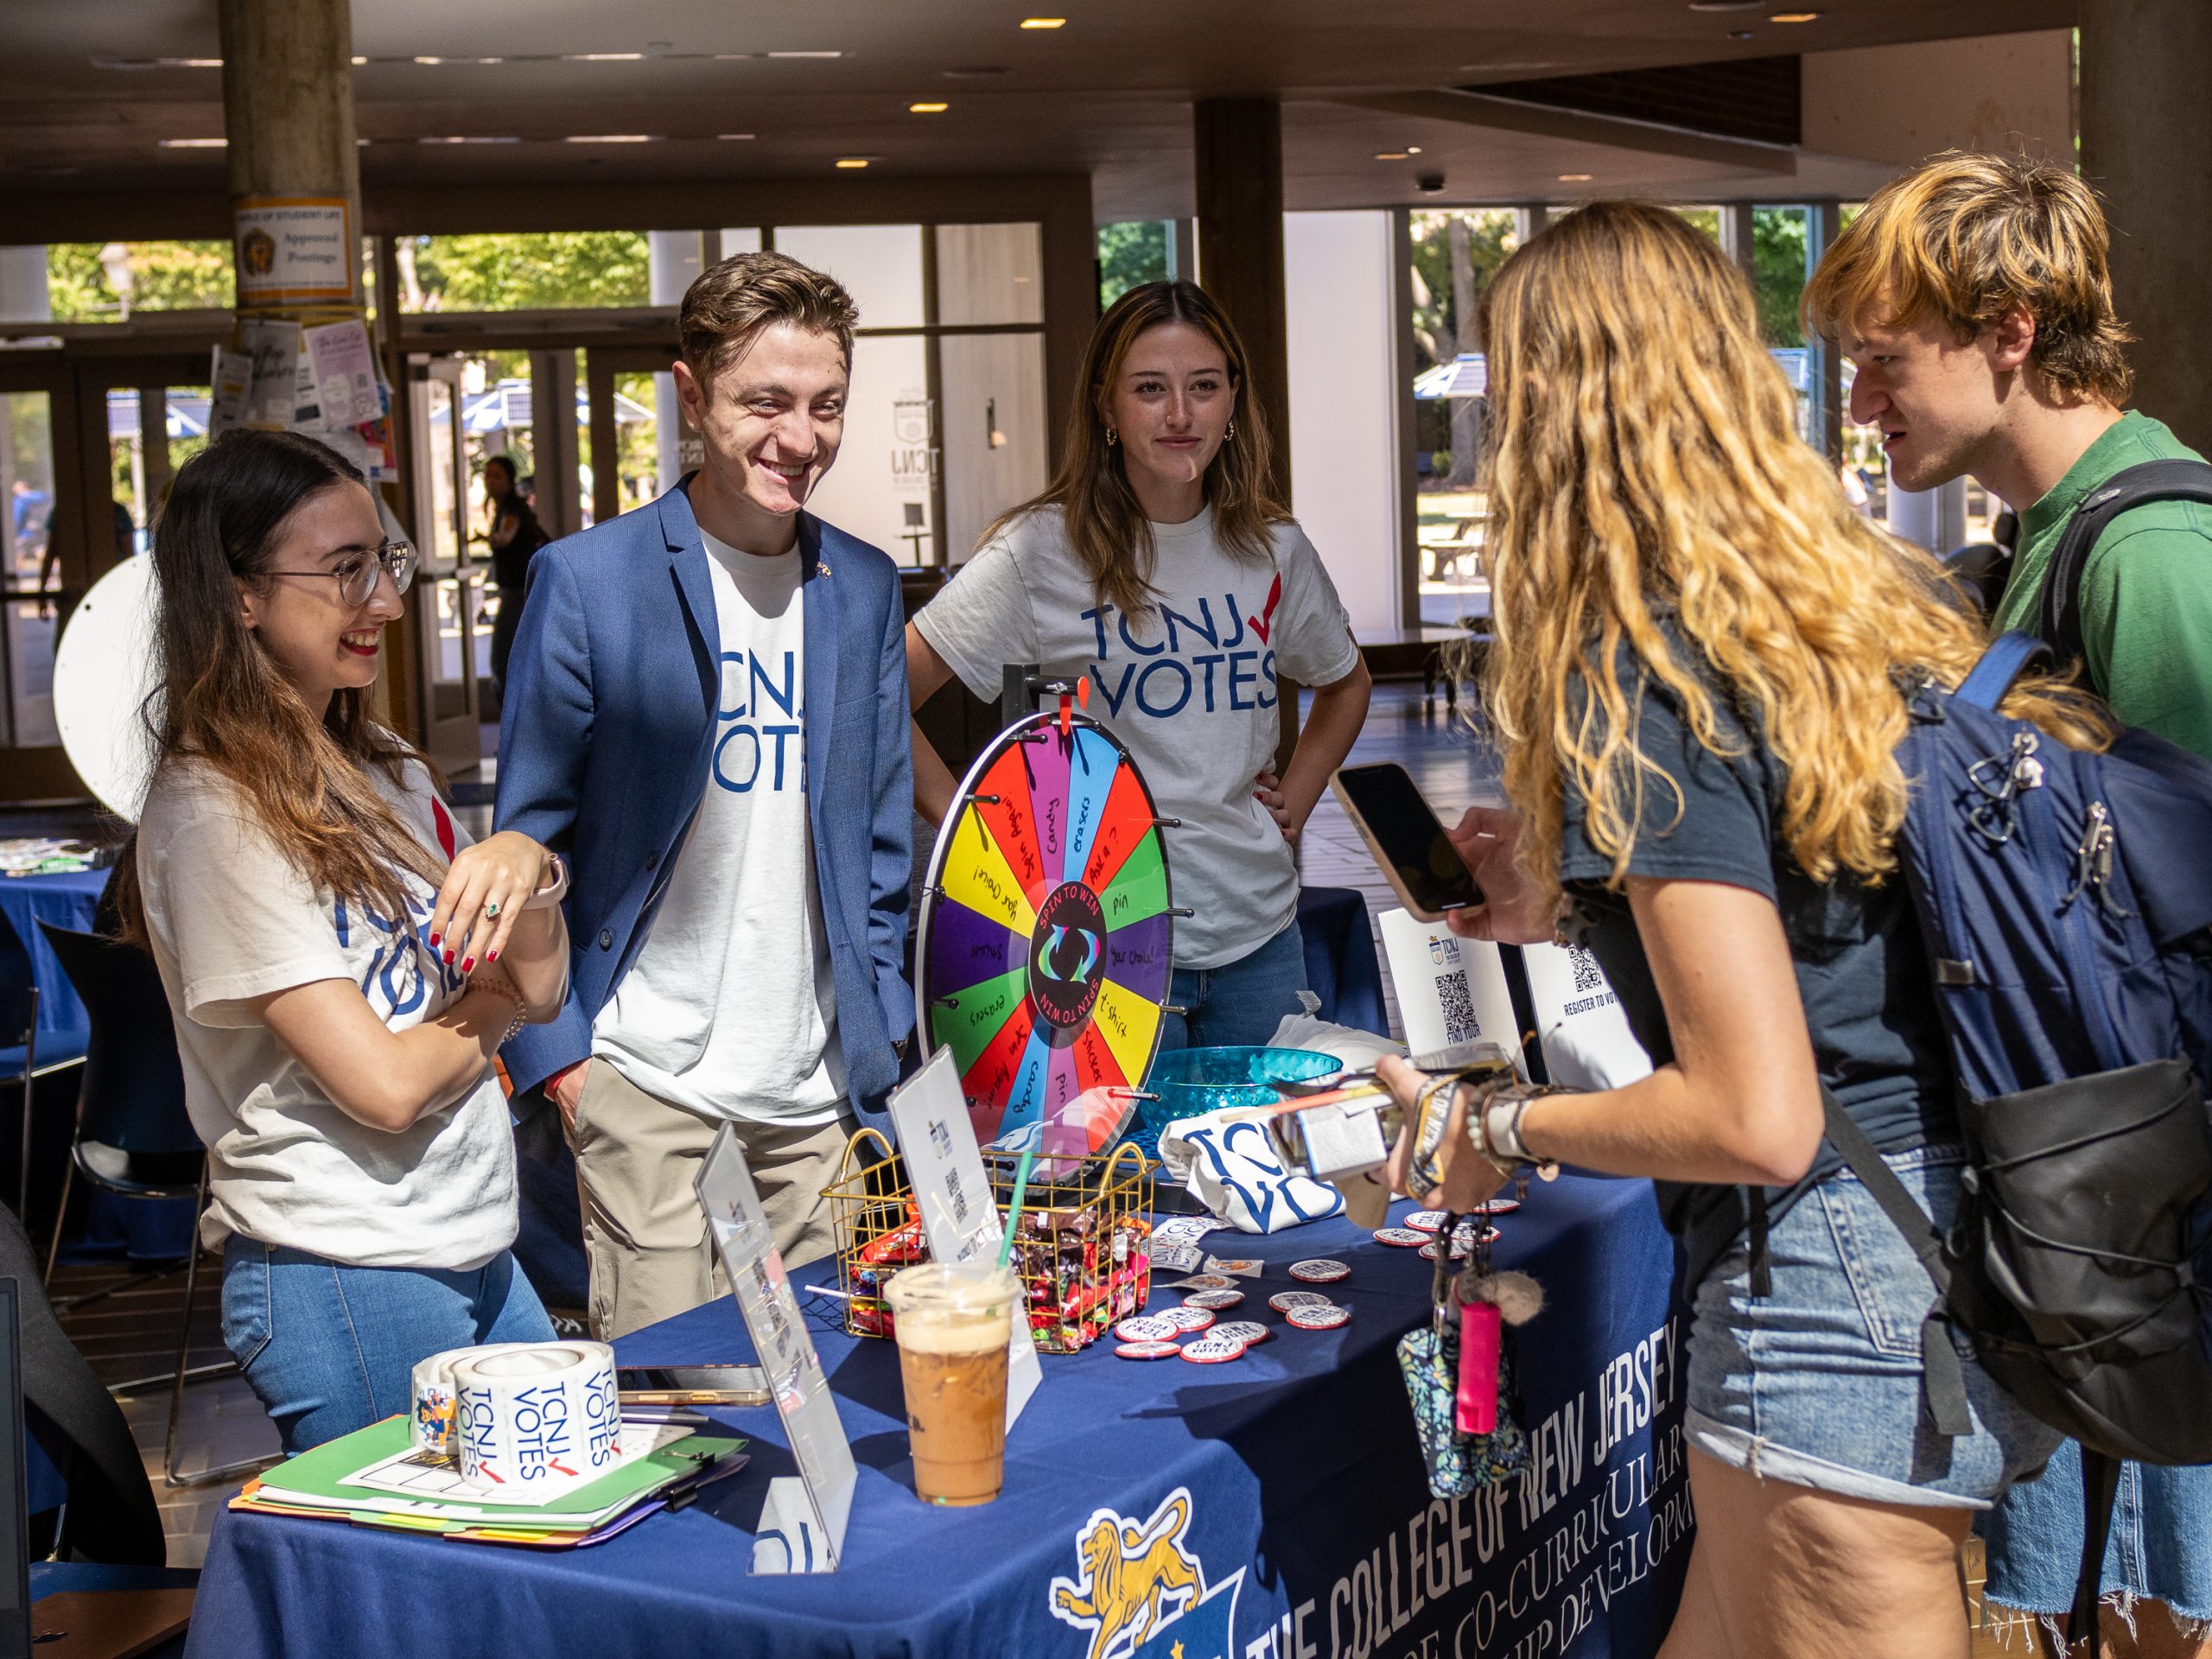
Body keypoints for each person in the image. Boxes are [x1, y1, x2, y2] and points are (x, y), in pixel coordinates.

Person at [1370, 201, 2113, 1657]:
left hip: (1837, 1292)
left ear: (1564, 408)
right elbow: (1827, 915)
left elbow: (1758, 1113)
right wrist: (1570, 897)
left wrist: (1505, 1129)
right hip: (1968, 1249)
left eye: (1513, 390)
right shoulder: (1853, 607)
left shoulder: (1641, 663)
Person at [1805, 149, 2212, 1659]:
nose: (1864, 404)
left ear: (2012, 330)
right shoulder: (2032, 546)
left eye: (1886, 362)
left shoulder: (2151, 546)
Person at [120, 429, 569, 1453]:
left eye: (387, 561)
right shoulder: (213, 810)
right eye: (346, 569)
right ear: (239, 594)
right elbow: (384, 1084)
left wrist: (527, 870)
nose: (388, 602)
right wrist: (492, 1001)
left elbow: (542, 985)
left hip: (472, 1244)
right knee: (416, 1598)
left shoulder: (389, 767)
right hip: (346, 1270)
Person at [495, 251, 913, 1340]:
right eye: (763, 403)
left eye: (825, 406)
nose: (800, 438)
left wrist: (882, 1031)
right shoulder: (589, 582)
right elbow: (527, 840)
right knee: (676, 1414)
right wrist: (562, 1058)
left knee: (828, 1406)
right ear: (691, 395)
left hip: (820, 1097)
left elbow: (876, 844)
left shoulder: (861, 585)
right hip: (644, 1085)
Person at [907, 280, 1372, 1051]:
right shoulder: (1039, 551)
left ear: (1232, 404)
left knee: (1262, 1168)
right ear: (1106, 407)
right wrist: (979, 843)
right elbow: (887, 698)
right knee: (1127, 1175)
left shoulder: (1272, 548)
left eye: (1204, 388)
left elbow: (1345, 681)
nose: (1181, 415)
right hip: (1100, 952)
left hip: (1258, 936)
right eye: (1150, 389)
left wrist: (1298, 790)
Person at [478, 453, 548, 702]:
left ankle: (514, 733)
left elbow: (505, 539)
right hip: (518, 592)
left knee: (503, 662)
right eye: (487, 475)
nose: (490, 481)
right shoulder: (506, 507)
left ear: (509, 480)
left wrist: (484, 539)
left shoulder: (513, 508)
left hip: (519, 594)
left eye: (497, 475)